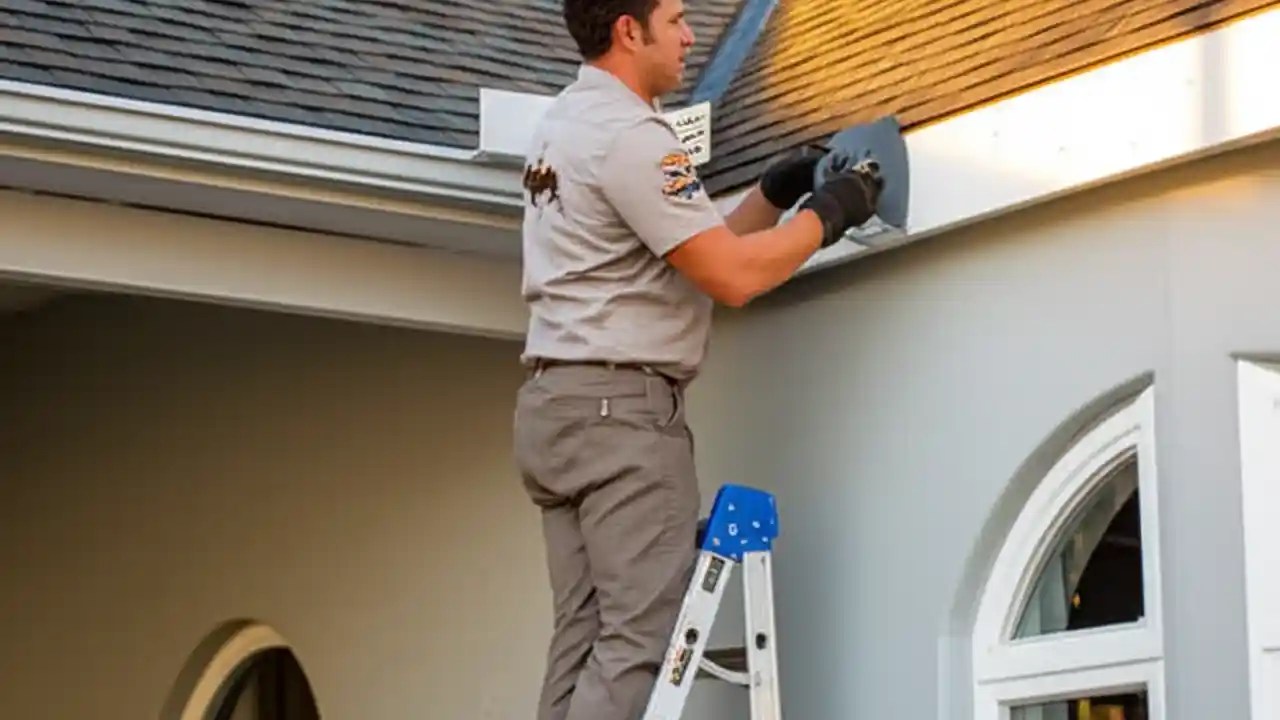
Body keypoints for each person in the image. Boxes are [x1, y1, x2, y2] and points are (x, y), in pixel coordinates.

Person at [512, 1, 881, 718]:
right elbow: (733, 277)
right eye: (676, 19)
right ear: (628, 29)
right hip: (621, 418)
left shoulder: (563, 124)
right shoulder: (631, 138)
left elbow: (685, 251)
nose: (689, 36)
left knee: (584, 639)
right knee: (637, 643)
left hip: (556, 411)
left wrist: (772, 197)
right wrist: (831, 212)